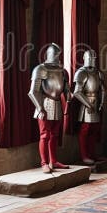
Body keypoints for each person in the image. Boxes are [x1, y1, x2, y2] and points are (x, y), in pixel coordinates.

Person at [28, 43, 70, 174]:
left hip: (57, 104)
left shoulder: (62, 71)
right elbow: (33, 92)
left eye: (59, 55)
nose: (58, 57)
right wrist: (40, 108)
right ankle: (44, 163)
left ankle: (54, 161)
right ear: (50, 54)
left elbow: (66, 89)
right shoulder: (40, 69)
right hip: (44, 104)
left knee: (54, 135)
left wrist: (69, 97)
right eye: (56, 54)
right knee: (44, 135)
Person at [73, 50, 106, 165]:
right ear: (85, 58)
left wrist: (101, 103)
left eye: (93, 58)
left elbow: (102, 89)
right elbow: (77, 92)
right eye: (90, 57)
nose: (92, 60)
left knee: (94, 129)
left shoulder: (98, 73)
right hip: (85, 104)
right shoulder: (81, 73)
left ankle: (92, 154)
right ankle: (85, 156)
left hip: (96, 103)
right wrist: (88, 104)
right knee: (85, 130)